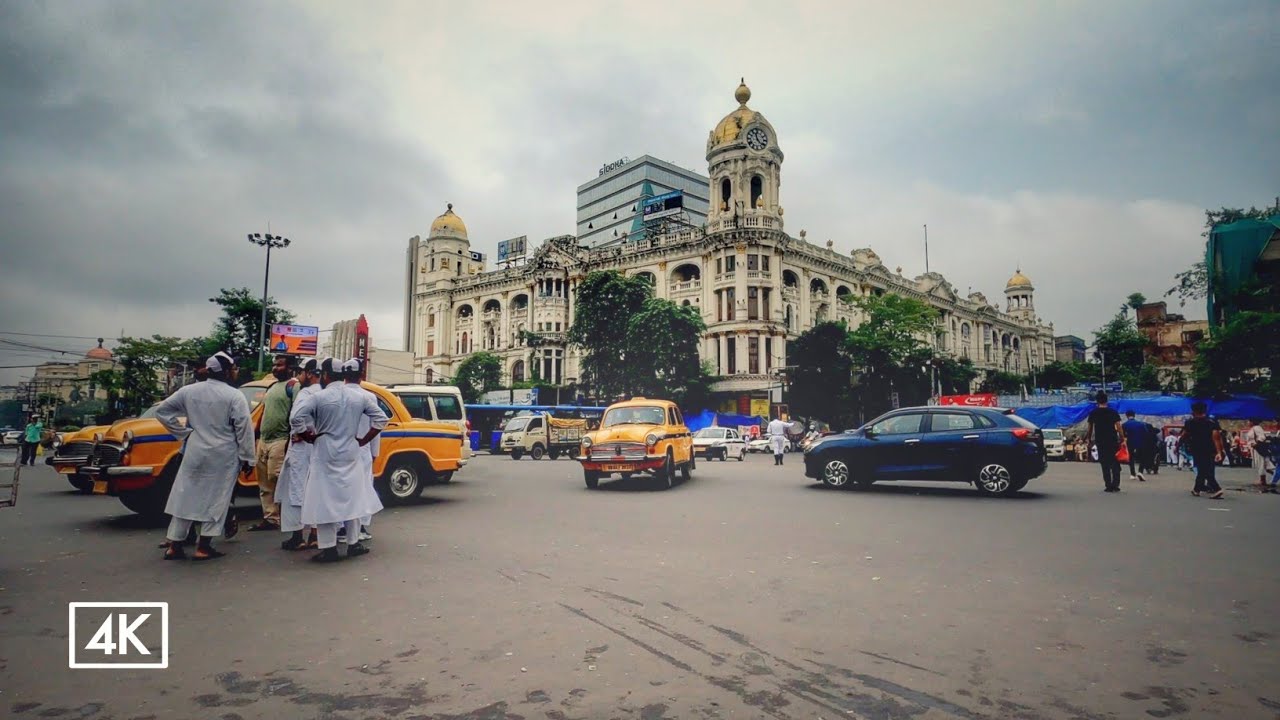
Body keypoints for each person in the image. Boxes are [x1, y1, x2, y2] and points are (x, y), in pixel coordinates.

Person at [154, 352, 255, 560]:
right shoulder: (234, 395)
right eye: (234, 368)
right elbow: (244, 429)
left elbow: (162, 411)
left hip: (195, 451)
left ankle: (174, 545)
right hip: (223, 455)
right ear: (226, 371)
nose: (235, 372)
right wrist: (248, 458)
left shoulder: (189, 391)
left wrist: (183, 434)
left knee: (185, 497)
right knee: (216, 499)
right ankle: (203, 546)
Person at [297, 358, 387, 563]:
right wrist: (364, 440)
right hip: (351, 452)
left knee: (324, 499)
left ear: (326, 375)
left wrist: (307, 436)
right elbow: (381, 419)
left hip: (325, 453)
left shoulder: (318, 397)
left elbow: (296, 418)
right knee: (353, 497)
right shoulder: (361, 397)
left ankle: (329, 548)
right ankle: (353, 543)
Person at [278, 358, 323, 550]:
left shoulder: (306, 393)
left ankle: (298, 537)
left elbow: (295, 418)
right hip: (317, 448)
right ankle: (315, 534)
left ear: (310, 374)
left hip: (302, 449)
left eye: (302, 372)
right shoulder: (325, 393)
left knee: (296, 492)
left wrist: (302, 433)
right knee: (316, 491)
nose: (299, 376)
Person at [249, 355, 299, 532]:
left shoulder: (293, 386)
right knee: (264, 484)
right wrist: (256, 435)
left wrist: (289, 441)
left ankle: (288, 518)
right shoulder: (271, 387)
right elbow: (264, 412)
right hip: (264, 440)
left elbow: (297, 414)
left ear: (290, 367)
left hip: (281, 440)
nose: (275, 368)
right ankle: (270, 518)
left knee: (278, 479)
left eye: (279, 365)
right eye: (274, 365)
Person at [1182, 402, 1225, 499]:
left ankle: (1217, 488)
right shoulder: (1212, 422)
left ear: (1193, 411)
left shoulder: (1190, 422)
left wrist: (1179, 446)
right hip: (1211, 449)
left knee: (1204, 470)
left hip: (1197, 449)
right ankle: (1197, 489)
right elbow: (1216, 437)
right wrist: (1219, 452)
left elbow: (1184, 435)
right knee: (1204, 469)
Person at [1084, 392, 1123, 492]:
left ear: (1097, 401)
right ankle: (1116, 484)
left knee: (1104, 463)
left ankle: (1108, 485)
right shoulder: (1113, 412)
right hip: (1113, 440)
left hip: (1100, 441)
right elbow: (1119, 427)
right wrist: (1122, 438)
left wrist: (1088, 439)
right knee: (1115, 462)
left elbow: (1090, 428)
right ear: (1107, 400)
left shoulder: (1093, 413)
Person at [1243, 419, 1275, 491]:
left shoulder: (1257, 428)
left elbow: (1262, 437)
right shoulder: (1254, 428)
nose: (1248, 423)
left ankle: (1263, 480)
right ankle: (1267, 477)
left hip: (1258, 448)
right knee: (1263, 464)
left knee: (1261, 463)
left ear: (1252, 422)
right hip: (1255, 449)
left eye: (1249, 421)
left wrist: (1256, 444)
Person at [1121, 410, 1148, 482]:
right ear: (1134, 415)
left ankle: (1132, 474)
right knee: (1142, 458)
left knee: (1131, 458)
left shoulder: (1124, 425)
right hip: (1141, 443)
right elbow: (1146, 433)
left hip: (1130, 444)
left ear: (1126, 416)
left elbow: (1122, 435)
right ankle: (1140, 471)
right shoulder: (1141, 424)